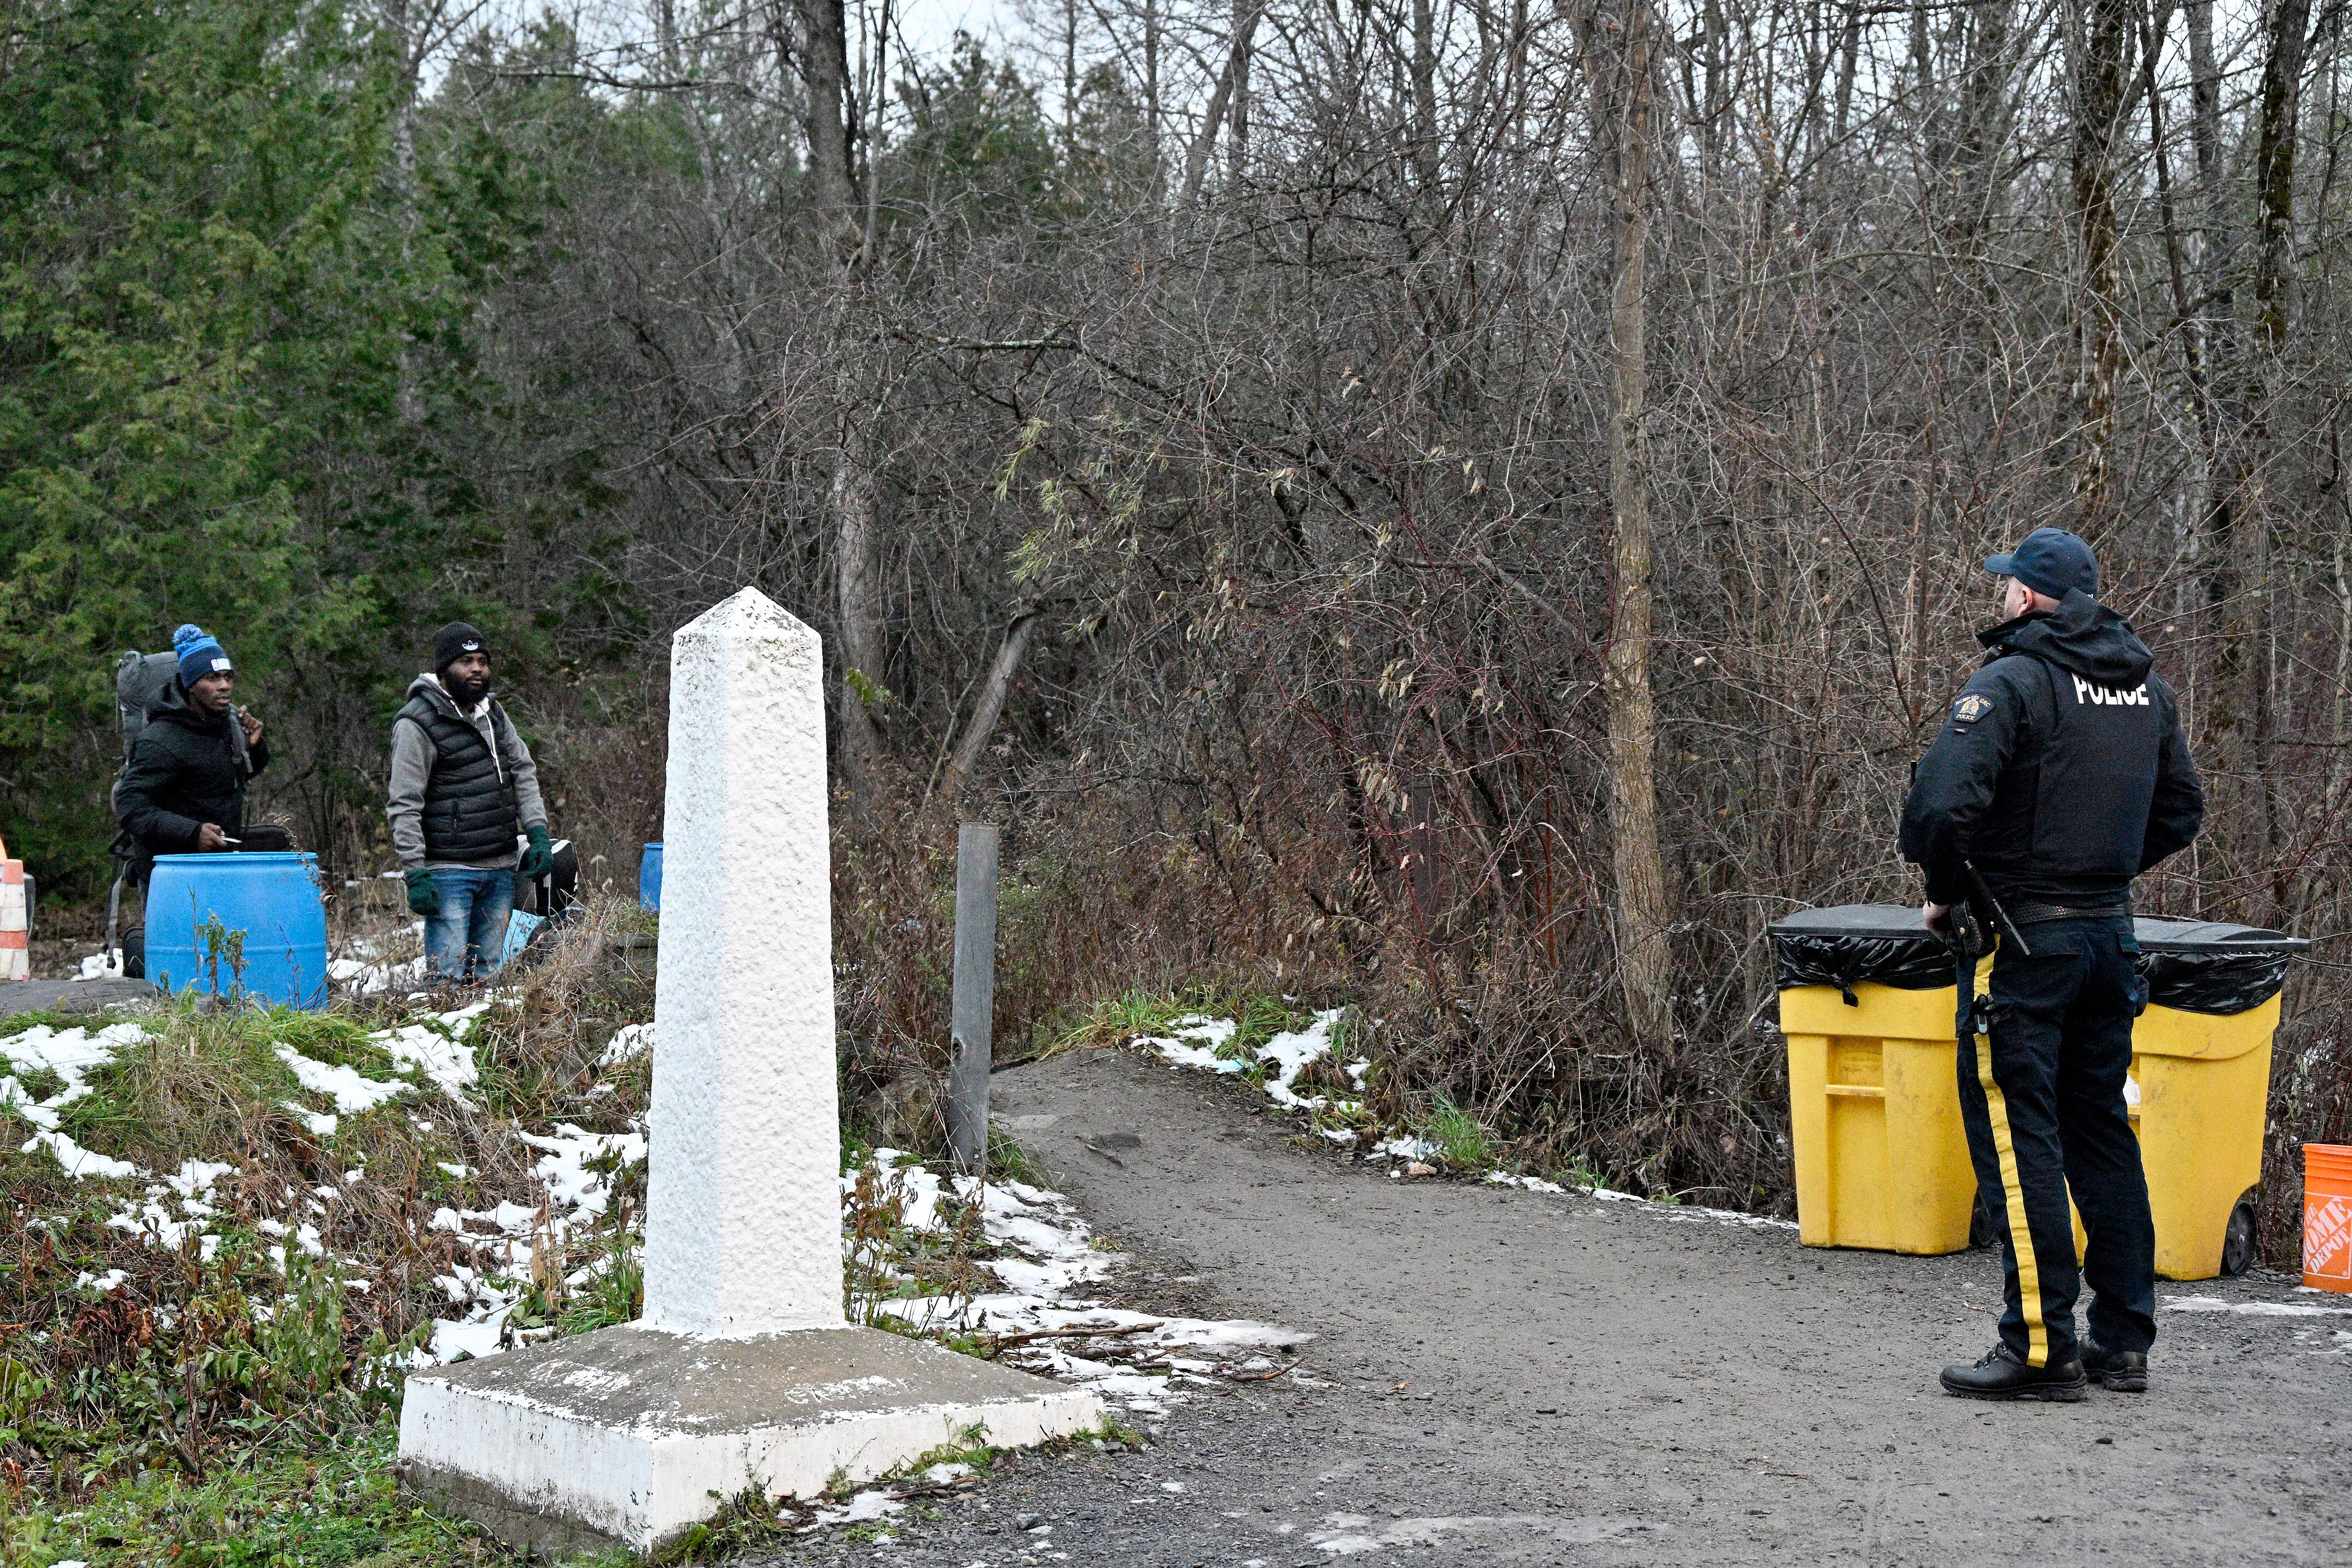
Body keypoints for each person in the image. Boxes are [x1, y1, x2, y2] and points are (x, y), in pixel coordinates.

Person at [1900, 527, 2204, 1402]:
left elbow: (1937, 813)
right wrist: (2097, 874)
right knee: (2100, 1129)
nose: (1999, 597)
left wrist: (1953, 889)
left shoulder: (2011, 681)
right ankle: (2122, 1342)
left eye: (2007, 586)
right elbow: (2181, 810)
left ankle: (2040, 1345)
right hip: (2111, 942)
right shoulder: (2148, 689)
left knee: (2017, 1133)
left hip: (2023, 946)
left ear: (2029, 598)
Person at [387, 622, 554, 983]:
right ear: (445, 668)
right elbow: (405, 803)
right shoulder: (417, 723)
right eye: (466, 661)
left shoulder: (493, 713)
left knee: (488, 975)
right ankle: (432, 1038)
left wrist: (538, 831)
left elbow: (523, 768)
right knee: (445, 978)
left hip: (500, 866)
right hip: (449, 870)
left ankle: (479, 1040)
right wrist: (415, 870)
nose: (477, 668)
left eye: (482, 660)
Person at [114, 625, 270, 974]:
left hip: (218, 864)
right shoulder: (162, 739)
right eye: (213, 678)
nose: (225, 686)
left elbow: (223, 780)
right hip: (170, 872)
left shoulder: (223, 724)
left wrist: (254, 747)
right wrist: (191, 832)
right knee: (179, 967)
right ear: (190, 683)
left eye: (228, 676)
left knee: (217, 963)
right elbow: (130, 805)